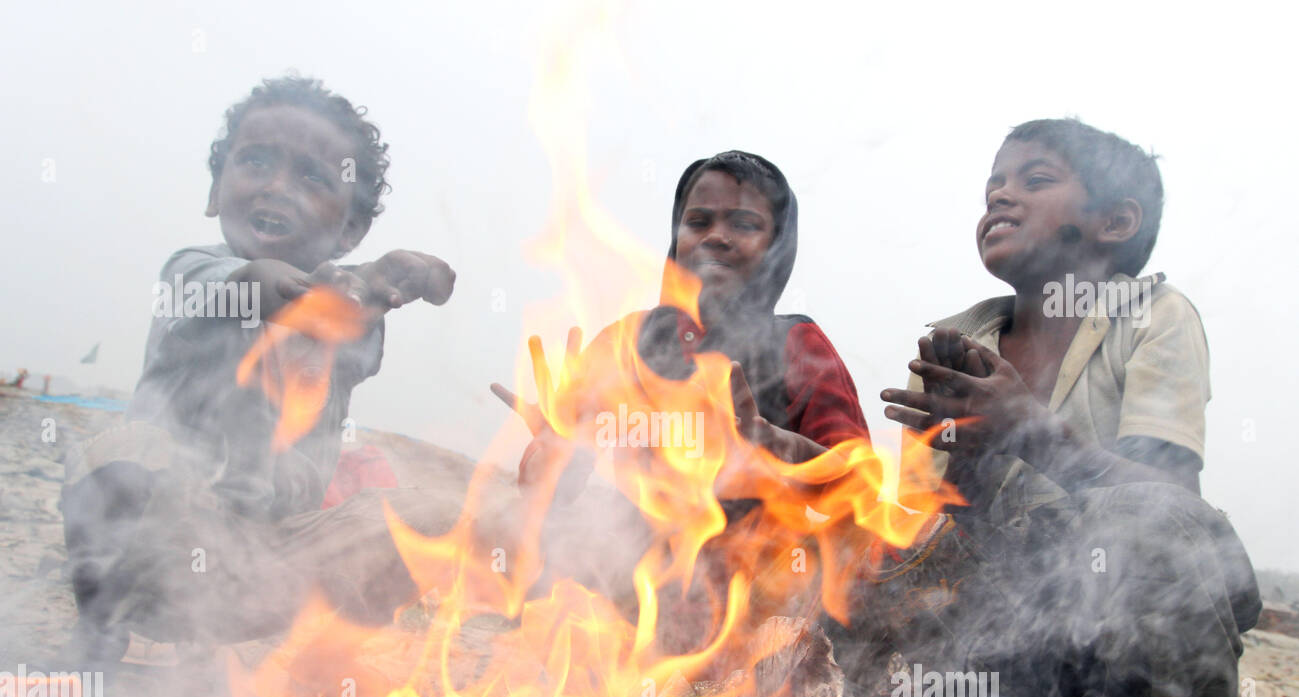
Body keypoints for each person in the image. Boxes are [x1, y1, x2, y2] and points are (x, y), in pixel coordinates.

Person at [880, 118, 1260, 697]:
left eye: (1035, 180)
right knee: (891, 565)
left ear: (1115, 222)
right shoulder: (959, 347)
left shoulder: (1151, 315)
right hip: (1025, 655)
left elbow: (1170, 504)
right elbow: (930, 545)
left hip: (1136, 653)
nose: (1001, 196)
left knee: (1144, 514)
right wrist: (963, 476)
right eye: (994, 184)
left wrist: (1032, 432)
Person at [60, 75, 455, 664]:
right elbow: (222, 294)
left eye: (312, 177)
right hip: (160, 548)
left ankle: (305, 666)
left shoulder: (343, 310)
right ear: (216, 192)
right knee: (120, 454)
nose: (277, 187)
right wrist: (252, 284)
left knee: (426, 515)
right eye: (256, 162)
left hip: (274, 557)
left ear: (350, 229)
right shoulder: (191, 272)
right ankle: (99, 639)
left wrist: (390, 279)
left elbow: (348, 315)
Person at [494, 149, 870, 500]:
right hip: (637, 564)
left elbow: (862, 491)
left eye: (744, 224)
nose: (716, 236)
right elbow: (551, 491)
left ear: (777, 247)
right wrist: (554, 455)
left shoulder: (797, 345)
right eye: (697, 221)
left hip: (771, 566)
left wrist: (780, 448)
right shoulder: (625, 344)